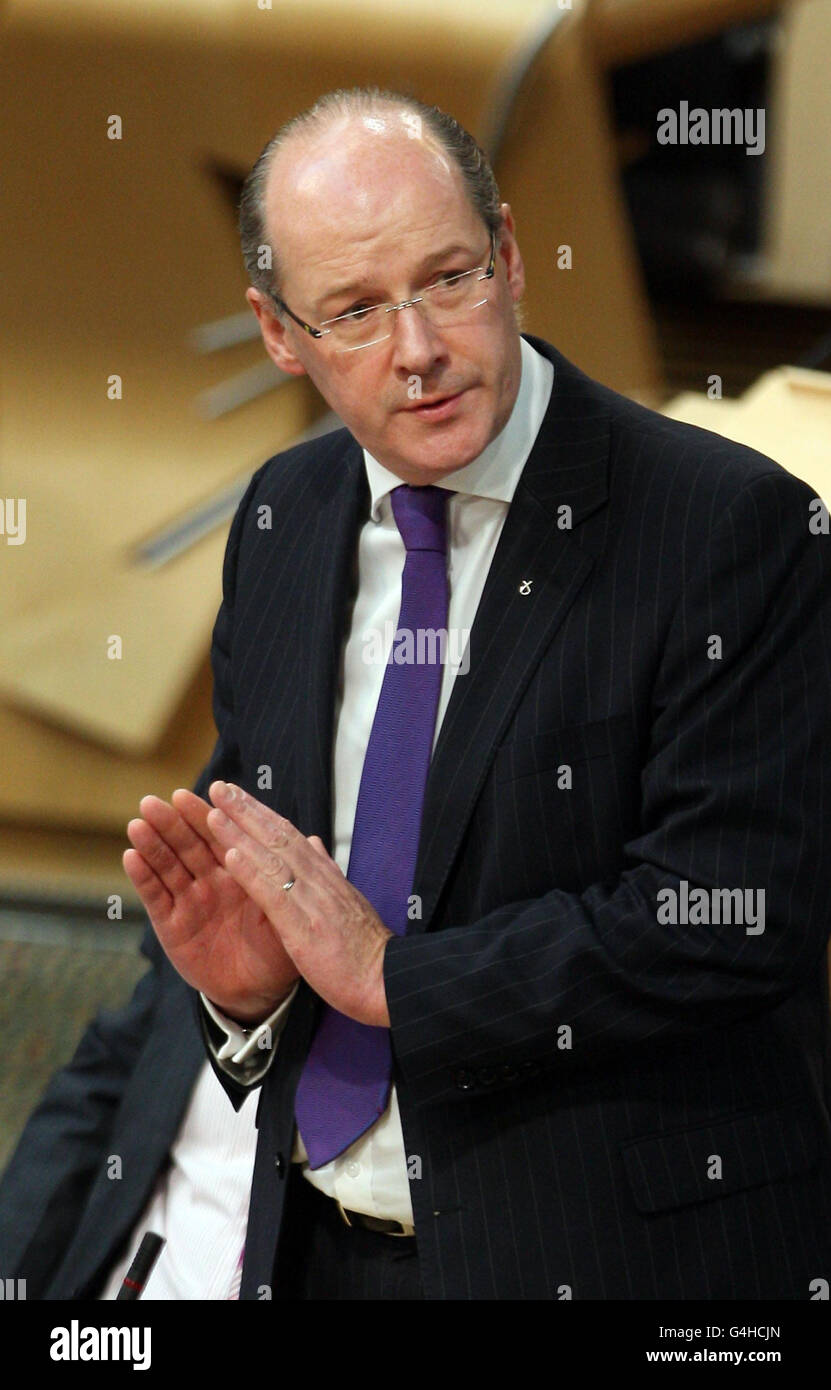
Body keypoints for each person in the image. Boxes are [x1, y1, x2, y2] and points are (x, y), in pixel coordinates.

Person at [2, 86, 830, 1301]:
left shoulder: (724, 525)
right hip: (317, 1245)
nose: (421, 350)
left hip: (611, 1257)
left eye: (449, 280)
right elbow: (276, 899)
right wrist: (250, 994)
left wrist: (393, 977)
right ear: (279, 334)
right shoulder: (282, 521)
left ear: (508, 256)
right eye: (354, 310)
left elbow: (733, 915)